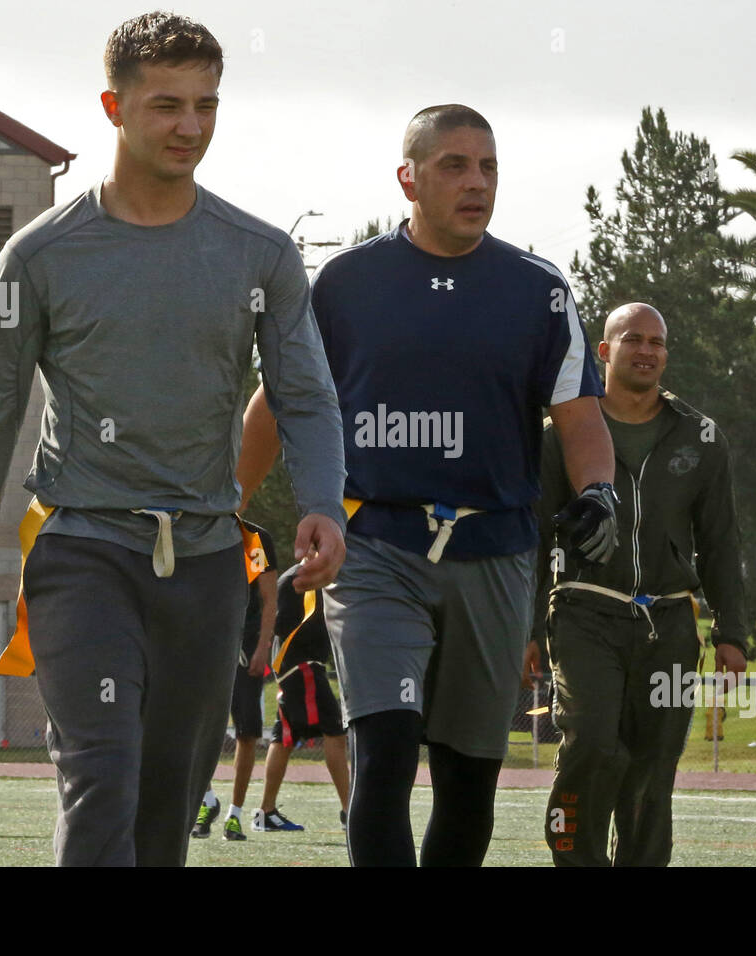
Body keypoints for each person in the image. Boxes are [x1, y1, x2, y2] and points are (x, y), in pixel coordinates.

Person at [0, 13, 346, 867]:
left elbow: (304, 394)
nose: (190, 127)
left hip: (204, 566)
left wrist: (319, 503)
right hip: (84, 550)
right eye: (166, 105)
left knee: (164, 813)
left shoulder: (261, 254)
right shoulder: (41, 255)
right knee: (103, 778)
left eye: (206, 105)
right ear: (113, 107)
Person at [237, 104, 617, 866]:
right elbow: (279, 402)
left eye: (488, 167)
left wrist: (600, 490)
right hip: (376, 544)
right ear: (407, 177)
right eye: (454, 165)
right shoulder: (345, 283)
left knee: (470, 778)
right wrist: (226, 508)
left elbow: (579, 417)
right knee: (384, 751)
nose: (476, 183)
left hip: (497, 549)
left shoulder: (539, 289)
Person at [527, 302, 751, 867]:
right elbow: (531, 544)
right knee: (593, 742)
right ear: (604, 351)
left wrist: (732, 631)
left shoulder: (701, 437)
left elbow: (721, 541)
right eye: (633, 339)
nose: (647, 350)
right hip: (584, 615)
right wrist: (526, 630)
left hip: (671, 625)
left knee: (655, 764)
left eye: (657, 341)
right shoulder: (562, 435)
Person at [192, 519, 279, 841]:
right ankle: (207, 800)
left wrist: (262, 648)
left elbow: (269, 599)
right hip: (206, 644)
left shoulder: (253, 538)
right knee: (195, 728)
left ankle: (235, 814)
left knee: (246, 732)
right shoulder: (198, 527)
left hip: (244, 647)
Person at [254, 561, 351, 833]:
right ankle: (350, 811)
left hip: (301, 666)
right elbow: (278, 623)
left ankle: (266, 812)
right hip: (301, 667)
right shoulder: (294, 580)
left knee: (283, 737)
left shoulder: (320, 576)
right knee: (335, 733)